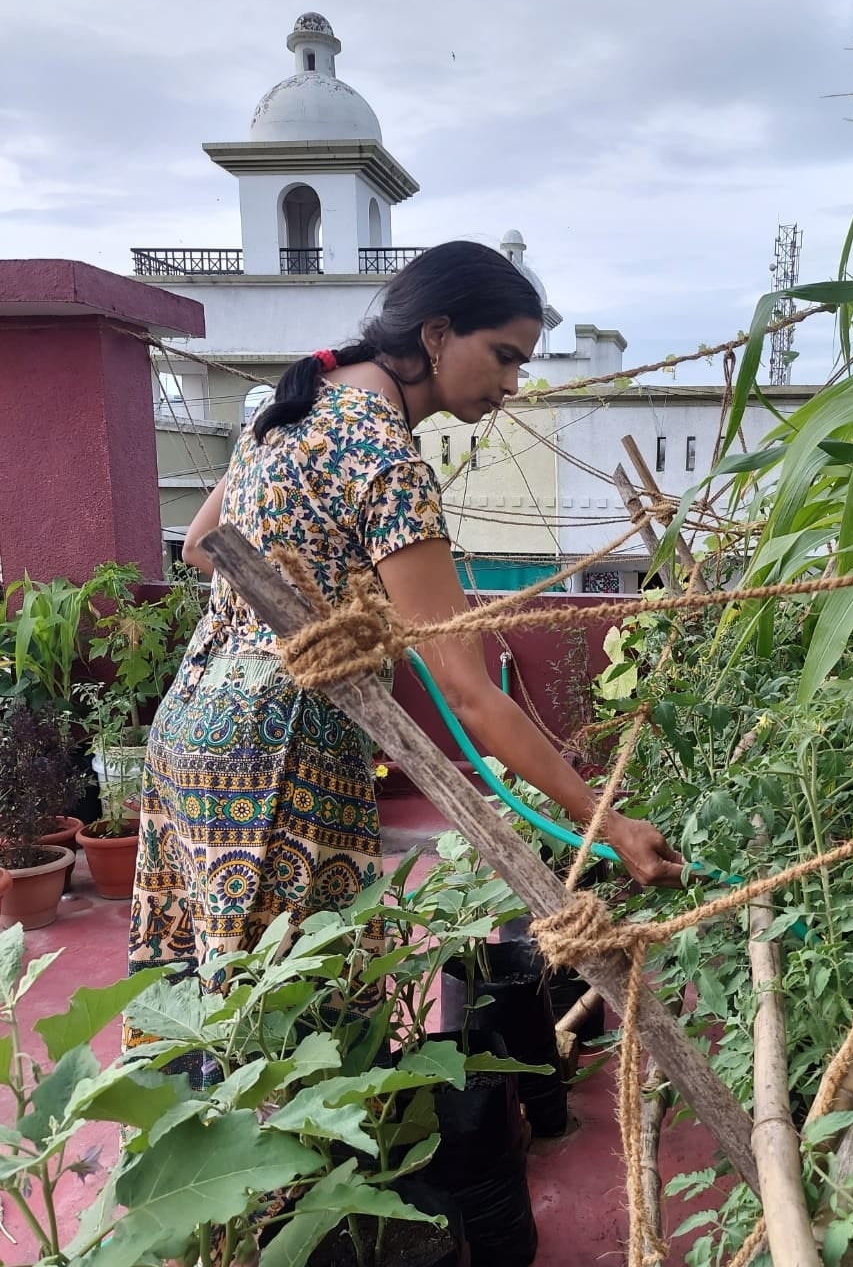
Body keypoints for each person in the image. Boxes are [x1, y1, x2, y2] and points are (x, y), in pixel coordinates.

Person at [125, 241, 682, 1068]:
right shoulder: (386, 457)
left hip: (195, 727)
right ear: (435, 334)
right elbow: (469, 694)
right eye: (502, 357)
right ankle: (282, 1198)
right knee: (289, 1023)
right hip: (286, 747)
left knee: (213, 1003)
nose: (512, 386)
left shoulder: (289, 409)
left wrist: (326, 604)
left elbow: (203, 547)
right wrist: (608, 823)